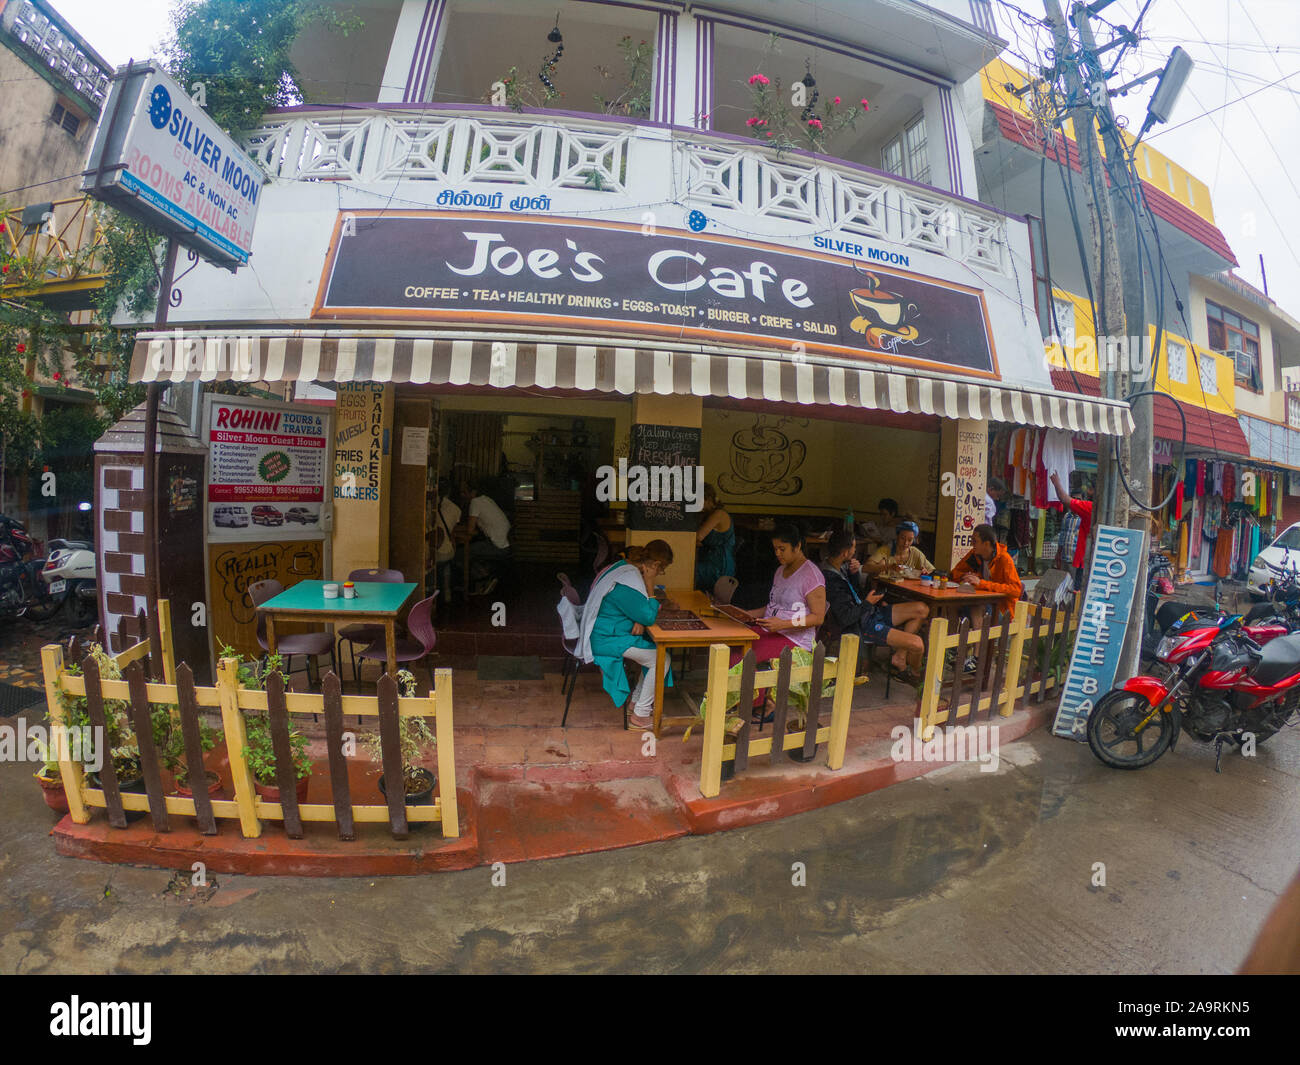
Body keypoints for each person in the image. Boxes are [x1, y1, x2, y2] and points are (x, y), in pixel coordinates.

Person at [577, 540, 674, 730]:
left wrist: (638, 618)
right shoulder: (630, 582)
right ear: (654, 566)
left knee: (656, 656)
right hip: (606, 639)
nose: (660, 574)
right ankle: (640, 715)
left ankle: (636, 704)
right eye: (661, 570)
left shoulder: (624, 568)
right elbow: (647, 616)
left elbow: (638, 611)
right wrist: (650, 583)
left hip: (609, 632)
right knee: (661, 659)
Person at [820, 529, 928, 682]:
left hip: (870, 612)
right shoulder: (830, 578)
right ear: (845, 552)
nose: (855, 551)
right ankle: (915, 676)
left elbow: (854, 594)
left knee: (921, 609)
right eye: (853, 548)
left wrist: (854, 574)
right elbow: (846, 617)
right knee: (918, 644)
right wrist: (867, 603)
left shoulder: (840, 566)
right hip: (864, 624)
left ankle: (900, 657)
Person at [951, 524, 1023, 618]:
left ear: (986, 544)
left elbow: (1016, 590)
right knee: (953, 605)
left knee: (977, 608)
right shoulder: (974, 555)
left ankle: (979, 633)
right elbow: (954, 573)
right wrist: (966, 576)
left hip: (1002, 609)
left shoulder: (1004, 559)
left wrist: (981, 583)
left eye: (975, 541)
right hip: (979, 600)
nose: (971, 544)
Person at [463, 478, 512, 596]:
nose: (462, 495)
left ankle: (484, 578)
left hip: (496, 546)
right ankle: (486, 577)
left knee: (461, 554)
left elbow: (470, 530)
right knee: (472, 550)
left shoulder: (475, 502)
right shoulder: (487, 499)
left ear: (472, 492)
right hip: (506, 544)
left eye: (464, 492)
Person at [1049, 469, 1093, 589]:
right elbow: (1063, 535)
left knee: (1073, 588)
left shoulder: (1087, 511)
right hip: (1066, 557)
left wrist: (1056, 482)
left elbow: (1064, 498)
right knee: (1065, 587)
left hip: (1078, 559)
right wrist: (1059, 552)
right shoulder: (1067, 516)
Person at [694, 483, 736, 591]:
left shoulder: (719, 514)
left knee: (688, 572)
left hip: (719, 564)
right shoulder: (707, 514)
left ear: (707, 499)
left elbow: (697, 537)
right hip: (708, 560)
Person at [865, 520, 935, 575]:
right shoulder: (885, 550)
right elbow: (866, 568)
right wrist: (889, 567)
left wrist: (925, 572)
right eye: (902, 538)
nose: (906, 543)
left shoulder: (915, 552)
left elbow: (931, 570)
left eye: (910, 540)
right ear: (897, 536)